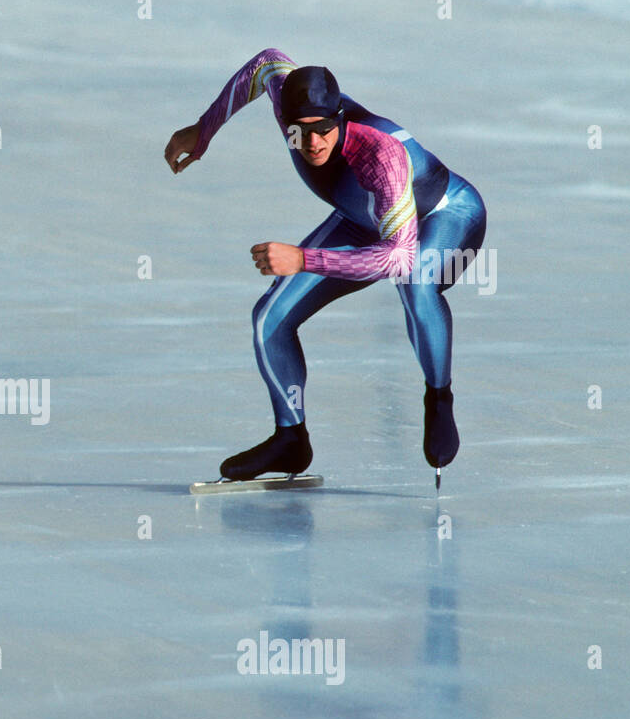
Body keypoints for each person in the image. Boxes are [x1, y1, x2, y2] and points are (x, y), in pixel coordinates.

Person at [164, 48, 487, 488]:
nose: (313, 144)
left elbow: (398, 256)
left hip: (443, 217)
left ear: (340, 120)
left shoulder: (380, 155)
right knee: (269, 319)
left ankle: (438, 397)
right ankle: (290, 438)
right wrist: (204, 130)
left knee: (414, 284)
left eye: (324, 131)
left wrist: (302, 259)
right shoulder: (285, 102)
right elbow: (265, 64)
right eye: (300, 132)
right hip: (363, 219)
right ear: (285, 119)